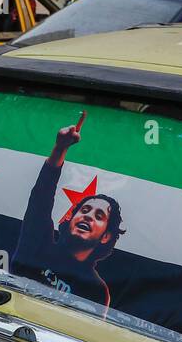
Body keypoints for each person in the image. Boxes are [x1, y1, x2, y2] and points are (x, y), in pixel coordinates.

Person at [13, 113, 124, 311]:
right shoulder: (39, 241)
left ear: (106, 236)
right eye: (85, 210)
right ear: (70, 219)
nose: (88, 216)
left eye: (99, 216)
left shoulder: (96, 291)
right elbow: (41, 198)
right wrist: (60, 148)